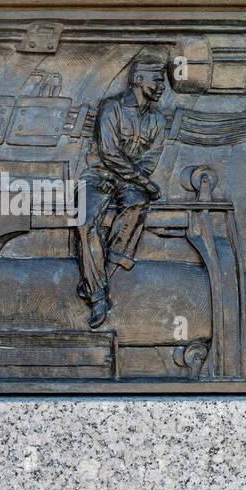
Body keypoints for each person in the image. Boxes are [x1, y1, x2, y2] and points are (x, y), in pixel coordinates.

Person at [75, 53, 167, 328]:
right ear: (138, 80)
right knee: (85, 222)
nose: (162, 86)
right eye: (157, 80)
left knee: (138, 205)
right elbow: (109, 152)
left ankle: (98, 277)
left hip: (131, 182)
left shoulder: (158, 121)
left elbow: (151, 159)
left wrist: (139, 182)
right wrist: (143, 181)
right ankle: (99, 295)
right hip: (98, 175)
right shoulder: (111, 108)